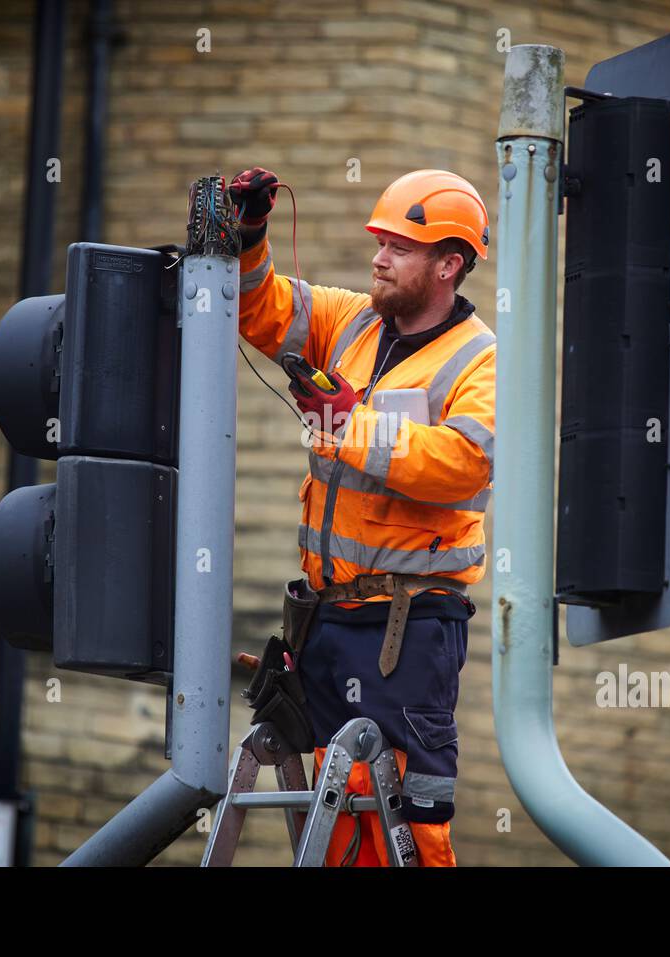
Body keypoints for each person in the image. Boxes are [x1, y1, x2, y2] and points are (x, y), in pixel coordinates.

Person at [229, 166, 494, 866]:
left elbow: (464, 462)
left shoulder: (482, 361)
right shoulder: (351, 321)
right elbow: (261, 309)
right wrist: (251, 236)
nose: (378, 257)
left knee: (409, 821)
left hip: (407, 630)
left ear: (449, 264)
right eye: (380, 241)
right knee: (342, 817)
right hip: (329, 620)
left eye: (399, 247)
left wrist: (352, 424)